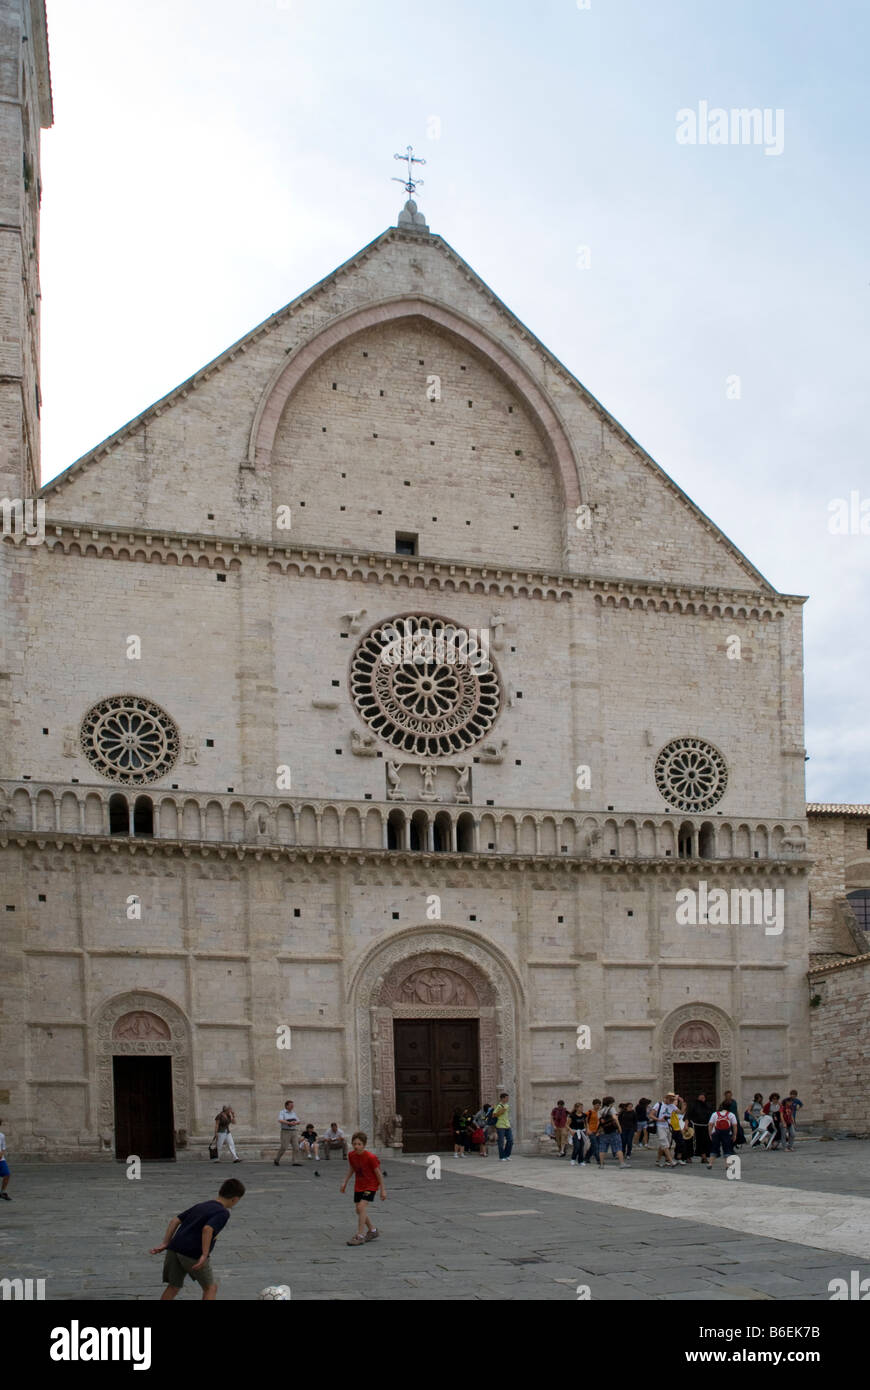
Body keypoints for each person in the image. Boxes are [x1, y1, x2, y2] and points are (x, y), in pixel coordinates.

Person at [151, 1177, 245, 1300]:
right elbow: (207, 1229)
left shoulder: (202, 1205)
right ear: (235, 1199)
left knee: (173, 1286)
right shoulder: (223, 1212)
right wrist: (204, 1254)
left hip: (174, 1248)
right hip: (192, 1253)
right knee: (210, 1288)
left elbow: (175, 1220)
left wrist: (165, 1243)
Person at [340, 1131, 386, 1246]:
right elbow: (352, 1169)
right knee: (359, 1210)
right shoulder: (351, 1155)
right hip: (359, 1185)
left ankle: (360, 1235)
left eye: (359, 1144)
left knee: (361, 1207)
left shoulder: (371, 1157)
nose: (356, 1146)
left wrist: (382, 1190)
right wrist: (344, 1182)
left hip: (371, 1185)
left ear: (364, 1145)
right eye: (354, 1144)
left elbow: (379, 1174)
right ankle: (373, 1230)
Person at [650, 1092, 682, 1168]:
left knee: (663, 1145)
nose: (671, 1101)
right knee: (665, 1144)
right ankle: (671, 1161)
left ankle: (657, 1161)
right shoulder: (659, 1104)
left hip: (668, 1126)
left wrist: (682, 1102)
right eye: (670, 1099)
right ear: (666, 1098)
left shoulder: (672, 1106)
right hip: (660, 1126)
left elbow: (681, 1112)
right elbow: (651, 1115)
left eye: (672, 1100)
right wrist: (659, 1119)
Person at [707, 1103, 737, 1171]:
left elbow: (710, 1124)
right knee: (727, 1148)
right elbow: (735, 1125)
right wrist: (734, 1135)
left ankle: (710, 1164)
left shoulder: (715, 1114)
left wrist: (710, 1133)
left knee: (714, 1148)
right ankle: (727, 1165)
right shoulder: (731, 1115)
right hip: (727, 1133)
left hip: (716, 1133)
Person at [597, 1096, 626, 1167]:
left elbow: (599, 1122)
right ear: (610, 1103)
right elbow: (615, 1119)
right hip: (613, 1131)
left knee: (602, 1148)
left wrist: (598, 1131)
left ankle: (601, 1164)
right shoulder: (611, 1109)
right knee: (618, 1146)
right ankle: (622, 1163)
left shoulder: (600, 1111)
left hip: (604, 1131)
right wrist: (619, 1128)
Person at [275, 1098, 302, 1166]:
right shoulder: (282, 1112)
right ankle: (277, 1159)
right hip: (285, 1131)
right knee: (284, 1147)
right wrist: (289, 1123)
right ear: (286, 1106)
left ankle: (295, 1161)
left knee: (296, 1147)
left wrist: (295, 1122)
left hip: (294, 1131)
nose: (292, 1106)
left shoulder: (293, 1113)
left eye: (293, 1105)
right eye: (291, 1105)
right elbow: (280, 1120)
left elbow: (299, 1121)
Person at [686, 1094, 712, 1166]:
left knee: (704, 1142)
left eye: (703, 1097)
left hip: (704, 1127)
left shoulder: (708, 1105)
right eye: (701, 1097)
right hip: (694, 1126)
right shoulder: (693, 1105)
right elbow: (688, 1115)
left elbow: (711, 1116)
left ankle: (704, 1157)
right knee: (690, 1142)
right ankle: (688, 1157)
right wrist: (686, 1125)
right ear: (698, 1098)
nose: (702, 1099)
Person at [493, 1092, 513, 1160]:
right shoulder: (498, 1106)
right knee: (501, 1142)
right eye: (506, 1098)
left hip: (507, 1125)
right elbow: (494, 1115)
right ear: (502, 1098)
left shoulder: (507, 1105)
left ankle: (507, 1155)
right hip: (500, 1125)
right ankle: (501, 1157)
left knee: (510, 1140)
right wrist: (501, 1111)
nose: (507, 1099)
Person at [584, 1100, 601, 1166]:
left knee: (594, 1146)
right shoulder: (589, 1112)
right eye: (597, 1105)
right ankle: (598, 1159)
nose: (598, 1106)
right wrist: (587, 1129)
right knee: (595, 1145)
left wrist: (600, 1131)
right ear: (593, 1105)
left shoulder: (600, 1113)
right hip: (590, 1131)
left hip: (597, 1131)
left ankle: (586, 1158)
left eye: (599, 1105)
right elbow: (584, 1120)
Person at [0, 1119, 10, 1201]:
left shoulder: (2, 1136)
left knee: (7, 1174)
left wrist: (1, 1154)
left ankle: (2, 1192)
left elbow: (3, 1147)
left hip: (1, 1160)